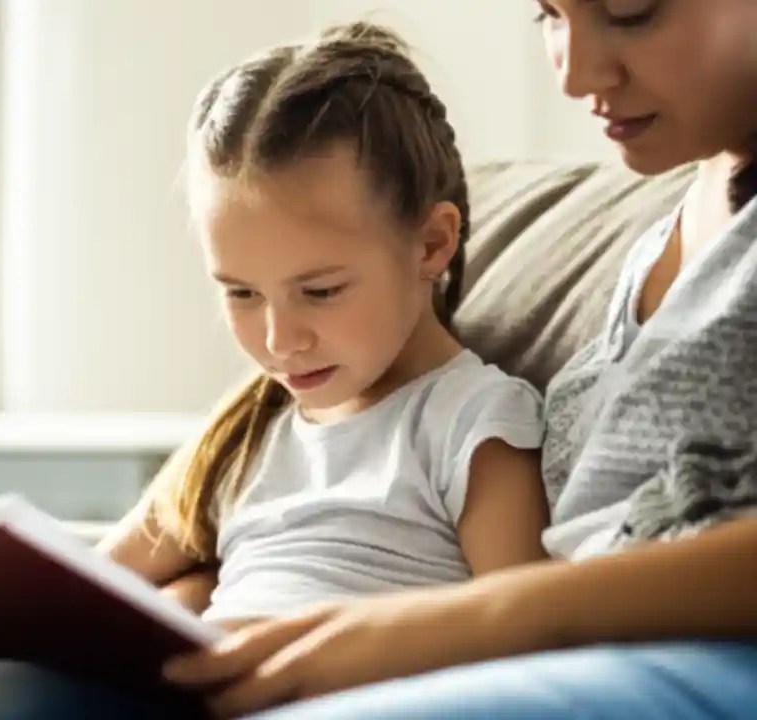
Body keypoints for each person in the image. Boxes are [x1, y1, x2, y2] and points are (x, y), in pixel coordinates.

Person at [0, 21, 552, 720]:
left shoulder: (474, 420)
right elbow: (103, 585)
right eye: (241, 293)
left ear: (431, 244)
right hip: (129, 685)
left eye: (320, 291)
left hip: (254, 700)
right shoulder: (255, 426)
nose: (280, 338)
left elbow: (518, 633)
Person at [160, 1, 757, 717]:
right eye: (550, 15)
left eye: (629, 10)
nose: (573, 77)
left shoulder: (469, 417)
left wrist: (454, 624)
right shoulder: (668, 235)